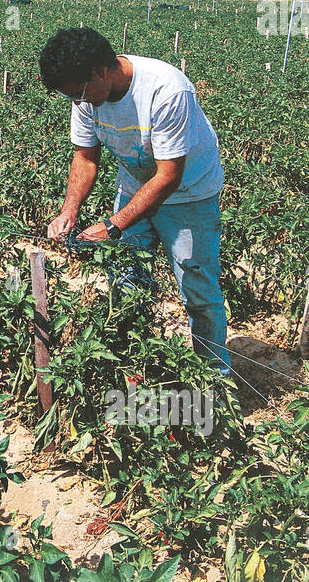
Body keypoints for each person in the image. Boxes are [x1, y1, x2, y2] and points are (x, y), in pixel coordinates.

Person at [38, 26, 230, 375]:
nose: (78, 103)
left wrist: (112, 225)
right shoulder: (85, 94)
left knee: (198, 288)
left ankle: (214, 376)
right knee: (126, 281)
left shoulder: (167, 90)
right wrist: (69, 211)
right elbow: (85, 156)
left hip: (189, 194)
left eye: (79, 94)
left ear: (100, 72)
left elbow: (168, 176)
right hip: (135, 186)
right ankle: (134, 365)